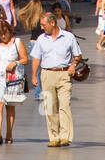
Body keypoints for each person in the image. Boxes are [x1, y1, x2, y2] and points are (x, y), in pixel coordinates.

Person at [30, 12, 82, 147]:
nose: (42, 28)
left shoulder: (68, 37)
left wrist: (73, 66)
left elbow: (77, 55)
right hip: (47, 74)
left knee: (64, 106)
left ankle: (65, 136)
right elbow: (36, 58)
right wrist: (34, 75)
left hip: (64, 74)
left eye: (43, 25)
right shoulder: (41, 39)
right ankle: (54, 136)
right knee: (50, 107)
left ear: (52, 23)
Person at [0, 20, 29, 144]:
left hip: (12, 79)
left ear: (10, 31)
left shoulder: (17, 43)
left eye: (5, 33)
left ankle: (9, 133)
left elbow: (25, 59)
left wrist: (15, 62)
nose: (3, 36)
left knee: (10, 106)